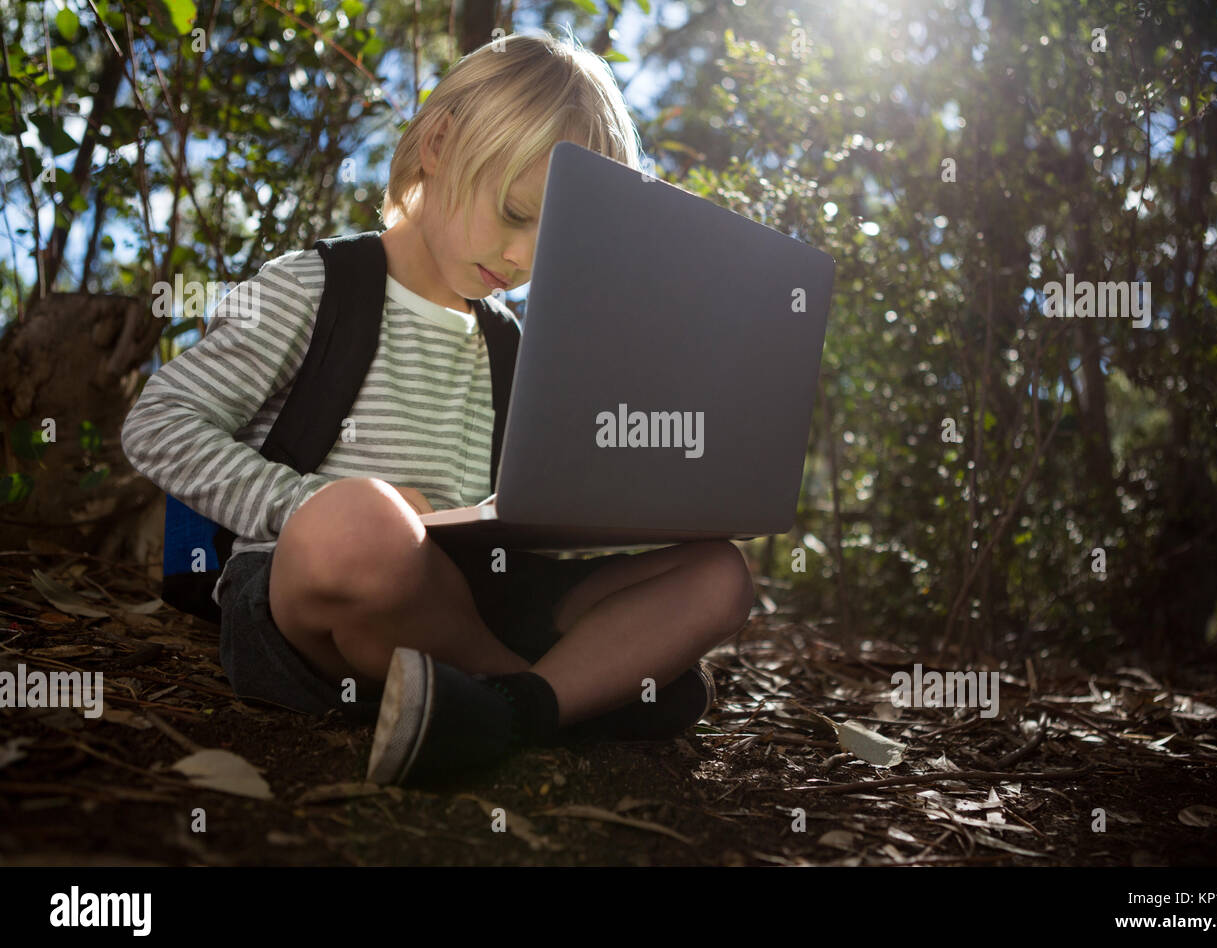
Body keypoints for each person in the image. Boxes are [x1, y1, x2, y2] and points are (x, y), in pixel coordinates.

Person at [121, 30, 755, 788]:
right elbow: (158, 423)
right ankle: (570, 692)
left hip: (482, 592)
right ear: (440, 143)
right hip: (332, 595)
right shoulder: (314, 286)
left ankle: (504, 711)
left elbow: (521, 508)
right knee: (358, 526)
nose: (522, 260)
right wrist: (309, 502)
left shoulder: (517, 345)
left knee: (720, 574)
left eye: (550, 247)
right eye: (516, 214)